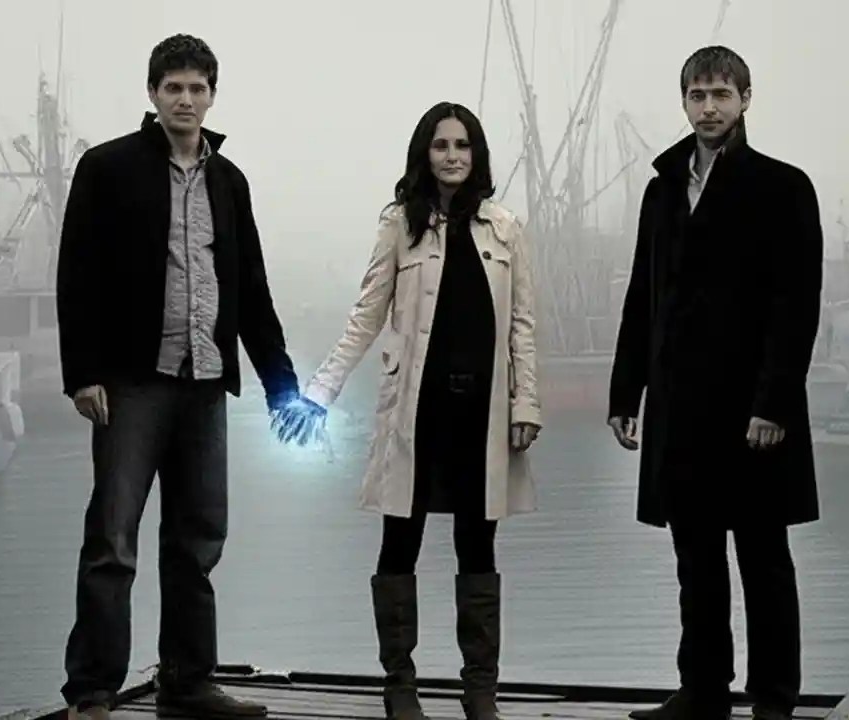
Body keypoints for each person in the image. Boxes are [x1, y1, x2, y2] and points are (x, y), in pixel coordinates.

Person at [55, 34, 305, 720]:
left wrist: (282, 388)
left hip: (205, 385)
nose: (186, 100)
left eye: (197, 88)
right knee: (112, 541)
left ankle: (188, 684)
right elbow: (77, 274)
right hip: (132, 384)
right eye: (174, 88)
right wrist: (83, 374)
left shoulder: (229, 182)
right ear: (153, 94)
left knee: (197, 541)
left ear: (213, 96)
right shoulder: (107, 168)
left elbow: (251, 290)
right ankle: (93, 691)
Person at [288, 101, 542, 720]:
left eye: (463, 145)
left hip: (482, 412)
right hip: (416, 411)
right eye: (440, 145)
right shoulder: (400, 225)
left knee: (477, 547)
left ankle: (480, 690)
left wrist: (526, 401)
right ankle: (400, 685)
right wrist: (320, 391)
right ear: (424, 155)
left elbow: (522, 325)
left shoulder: (505, 228)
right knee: (399, 541)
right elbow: (366, 315)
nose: (452, 156)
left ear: (477, 154)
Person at [607, 46, 823, 720]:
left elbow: (797, 305)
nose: (708, 108)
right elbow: (643, 296)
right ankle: (703, 692)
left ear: (746, 100)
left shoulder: (784, 188)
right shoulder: (662, 189)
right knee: (695, 557)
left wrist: (773, 404)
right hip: (680, 405)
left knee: (763, 556)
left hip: (752, 409)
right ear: (684, 102)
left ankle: (774, 699)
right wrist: (625, 393)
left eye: (721, 95)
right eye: (697, 96)